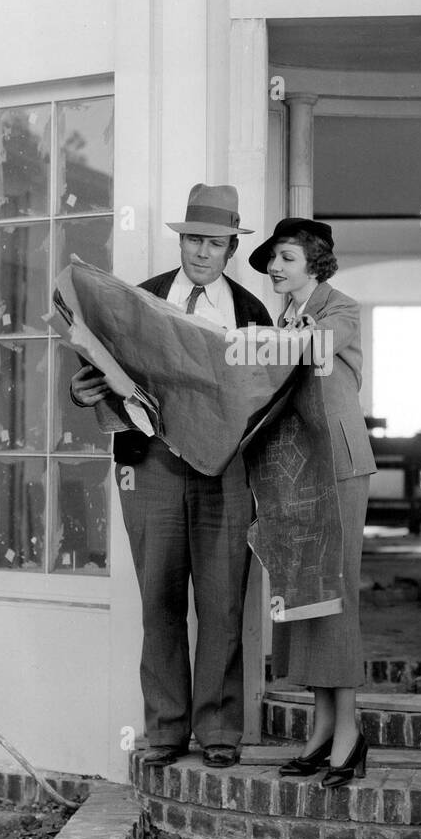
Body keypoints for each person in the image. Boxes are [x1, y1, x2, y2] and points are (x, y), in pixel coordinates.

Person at [71, 184, 272, 769]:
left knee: (222, 603)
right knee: (159, 597)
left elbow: (268, 399)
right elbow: (97, 373)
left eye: (214, 243)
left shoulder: (252, 314)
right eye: (192, 240)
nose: (201, 252)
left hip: (226, 470)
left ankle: (218, 734)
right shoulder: (139, 300)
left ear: (232, 248)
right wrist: (83, 390)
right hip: (151, 466)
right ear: (180, 240)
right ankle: (165, 733)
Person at [247, 218, 376, 789]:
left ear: (316, 263)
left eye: (287, 258)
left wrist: (242, 342)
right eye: (274, 258)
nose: (276, 267)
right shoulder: (284, 317)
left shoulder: (339, 311)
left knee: (338, 591)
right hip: (299, 472)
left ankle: (349, 734)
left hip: (341, 467)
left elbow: (311, 347)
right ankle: (323, 730)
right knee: (309, 593)